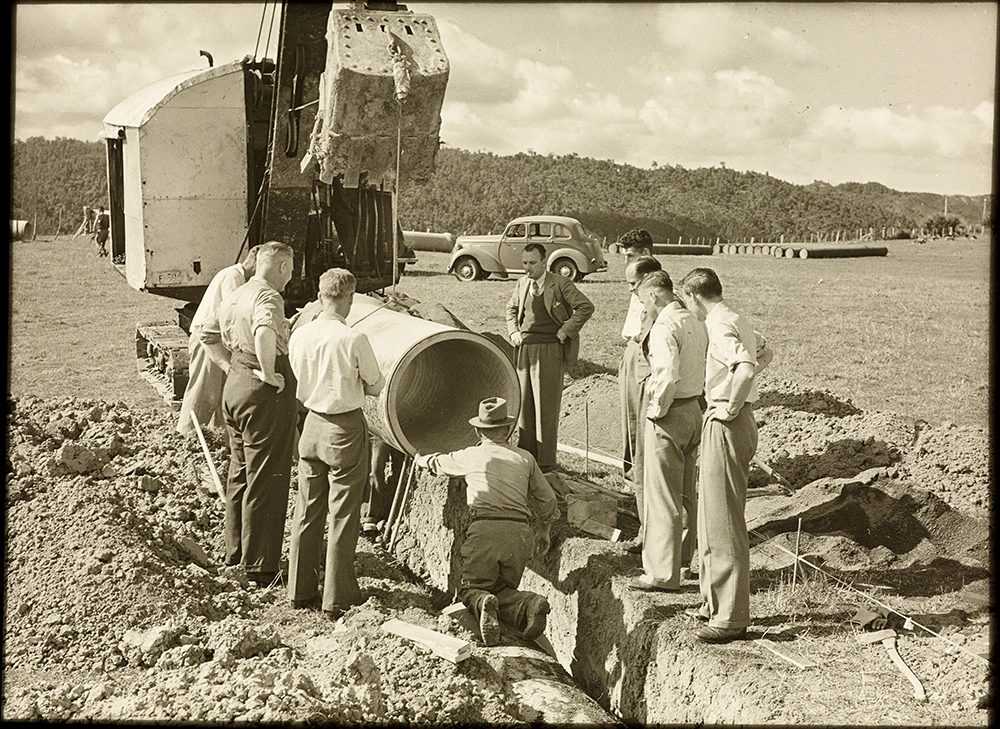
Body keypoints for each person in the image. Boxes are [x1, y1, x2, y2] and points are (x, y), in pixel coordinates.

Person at [414, 397, 559, 646]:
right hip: (520, 534)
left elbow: (439, 463)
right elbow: (548, 500)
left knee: (472, 589)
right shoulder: (525, 458)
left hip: (485, 528)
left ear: (478, 431)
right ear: (508, 429)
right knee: (503, 589)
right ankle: (529, 603)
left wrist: (421, 459)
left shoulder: (471, 455)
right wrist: (544, 530)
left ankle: (481, 602)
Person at [286, 268, 386, 620]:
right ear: (349, 298)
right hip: (344, 427)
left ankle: (299, 590)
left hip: (311, 425)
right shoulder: (353, 338)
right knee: (343, 513)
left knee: (307, 509)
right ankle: (338, 595)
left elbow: (298, 375)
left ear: (320, 294)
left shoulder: (300, 334)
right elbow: (374, 385)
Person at [199, 241, 298, 588]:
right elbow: (263, 331)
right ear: (283, 267)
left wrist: (232, 366)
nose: (291, 275)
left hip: (237, 381)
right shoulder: (269, 297)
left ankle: (236, 553)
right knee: (268, 478)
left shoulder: (235, 293)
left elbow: (206, 333)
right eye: (290, 268)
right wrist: (270, 373)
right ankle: (261, 568)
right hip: (262, 390)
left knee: (239, 472)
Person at [676, 267, 759, 644]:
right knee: (710, 516)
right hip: (735, 421)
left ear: (693, 296)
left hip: (727, 422)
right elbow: (765, 350)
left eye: (686, 300)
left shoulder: (719, 326)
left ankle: (730, 617)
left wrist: (729, 403)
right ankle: (713, 603)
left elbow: (745, 366)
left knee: (722, 522)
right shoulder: (734, 318)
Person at [626, 270, 708, 592]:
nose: (644, 309)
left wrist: (656, 411)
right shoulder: (694, 321)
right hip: (693, 410)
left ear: (655, 296)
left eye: (644, 302)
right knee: (687, 492)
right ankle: (684, 563)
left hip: (671, 412)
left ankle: (661, 573)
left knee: (661, 497)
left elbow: (666, 375)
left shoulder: (663, 327)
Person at [505, 243, 594, 471]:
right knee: (524, 405)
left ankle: (545, 463)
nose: (527, 268)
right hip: (525, 349)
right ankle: (526, 459)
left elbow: (585, 307)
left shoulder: (560, 283)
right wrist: (514, 331)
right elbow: (511, 309)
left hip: (549, 350)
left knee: (546, 406)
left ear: (544, 263)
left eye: (532, 263)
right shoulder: (522, 283)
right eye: (524, 263)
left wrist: (566, 330)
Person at [176, 246, 258, 436]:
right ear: (254, 261)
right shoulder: (234, 276)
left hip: (215, 337)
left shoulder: (234, 275)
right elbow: (233, 310)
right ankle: (186, 434)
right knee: (203, 389)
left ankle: (217, 435)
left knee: (220, 391)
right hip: (208, 339)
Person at [619, 255, 662, 555]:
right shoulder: (649, 304)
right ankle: (647, 528)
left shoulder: (662, 312)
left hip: (649, 383)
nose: (630, 292)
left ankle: (651, 535)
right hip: (636, 369)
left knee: (645, 456)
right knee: (635, 452)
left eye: (633, 285)